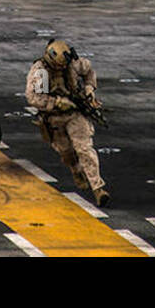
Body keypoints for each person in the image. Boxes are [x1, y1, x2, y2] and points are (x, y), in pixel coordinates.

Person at [25, 38, 109, 207]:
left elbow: (88, 70)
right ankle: (76, 170)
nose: (63, 68)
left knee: (84, 148)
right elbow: (34, 97)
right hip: (54, 118)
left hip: (74, 114)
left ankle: (98, 188)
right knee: (67, 152)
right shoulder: (41, 72)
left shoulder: (71, 63)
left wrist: (89, 89)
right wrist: (56, 103)